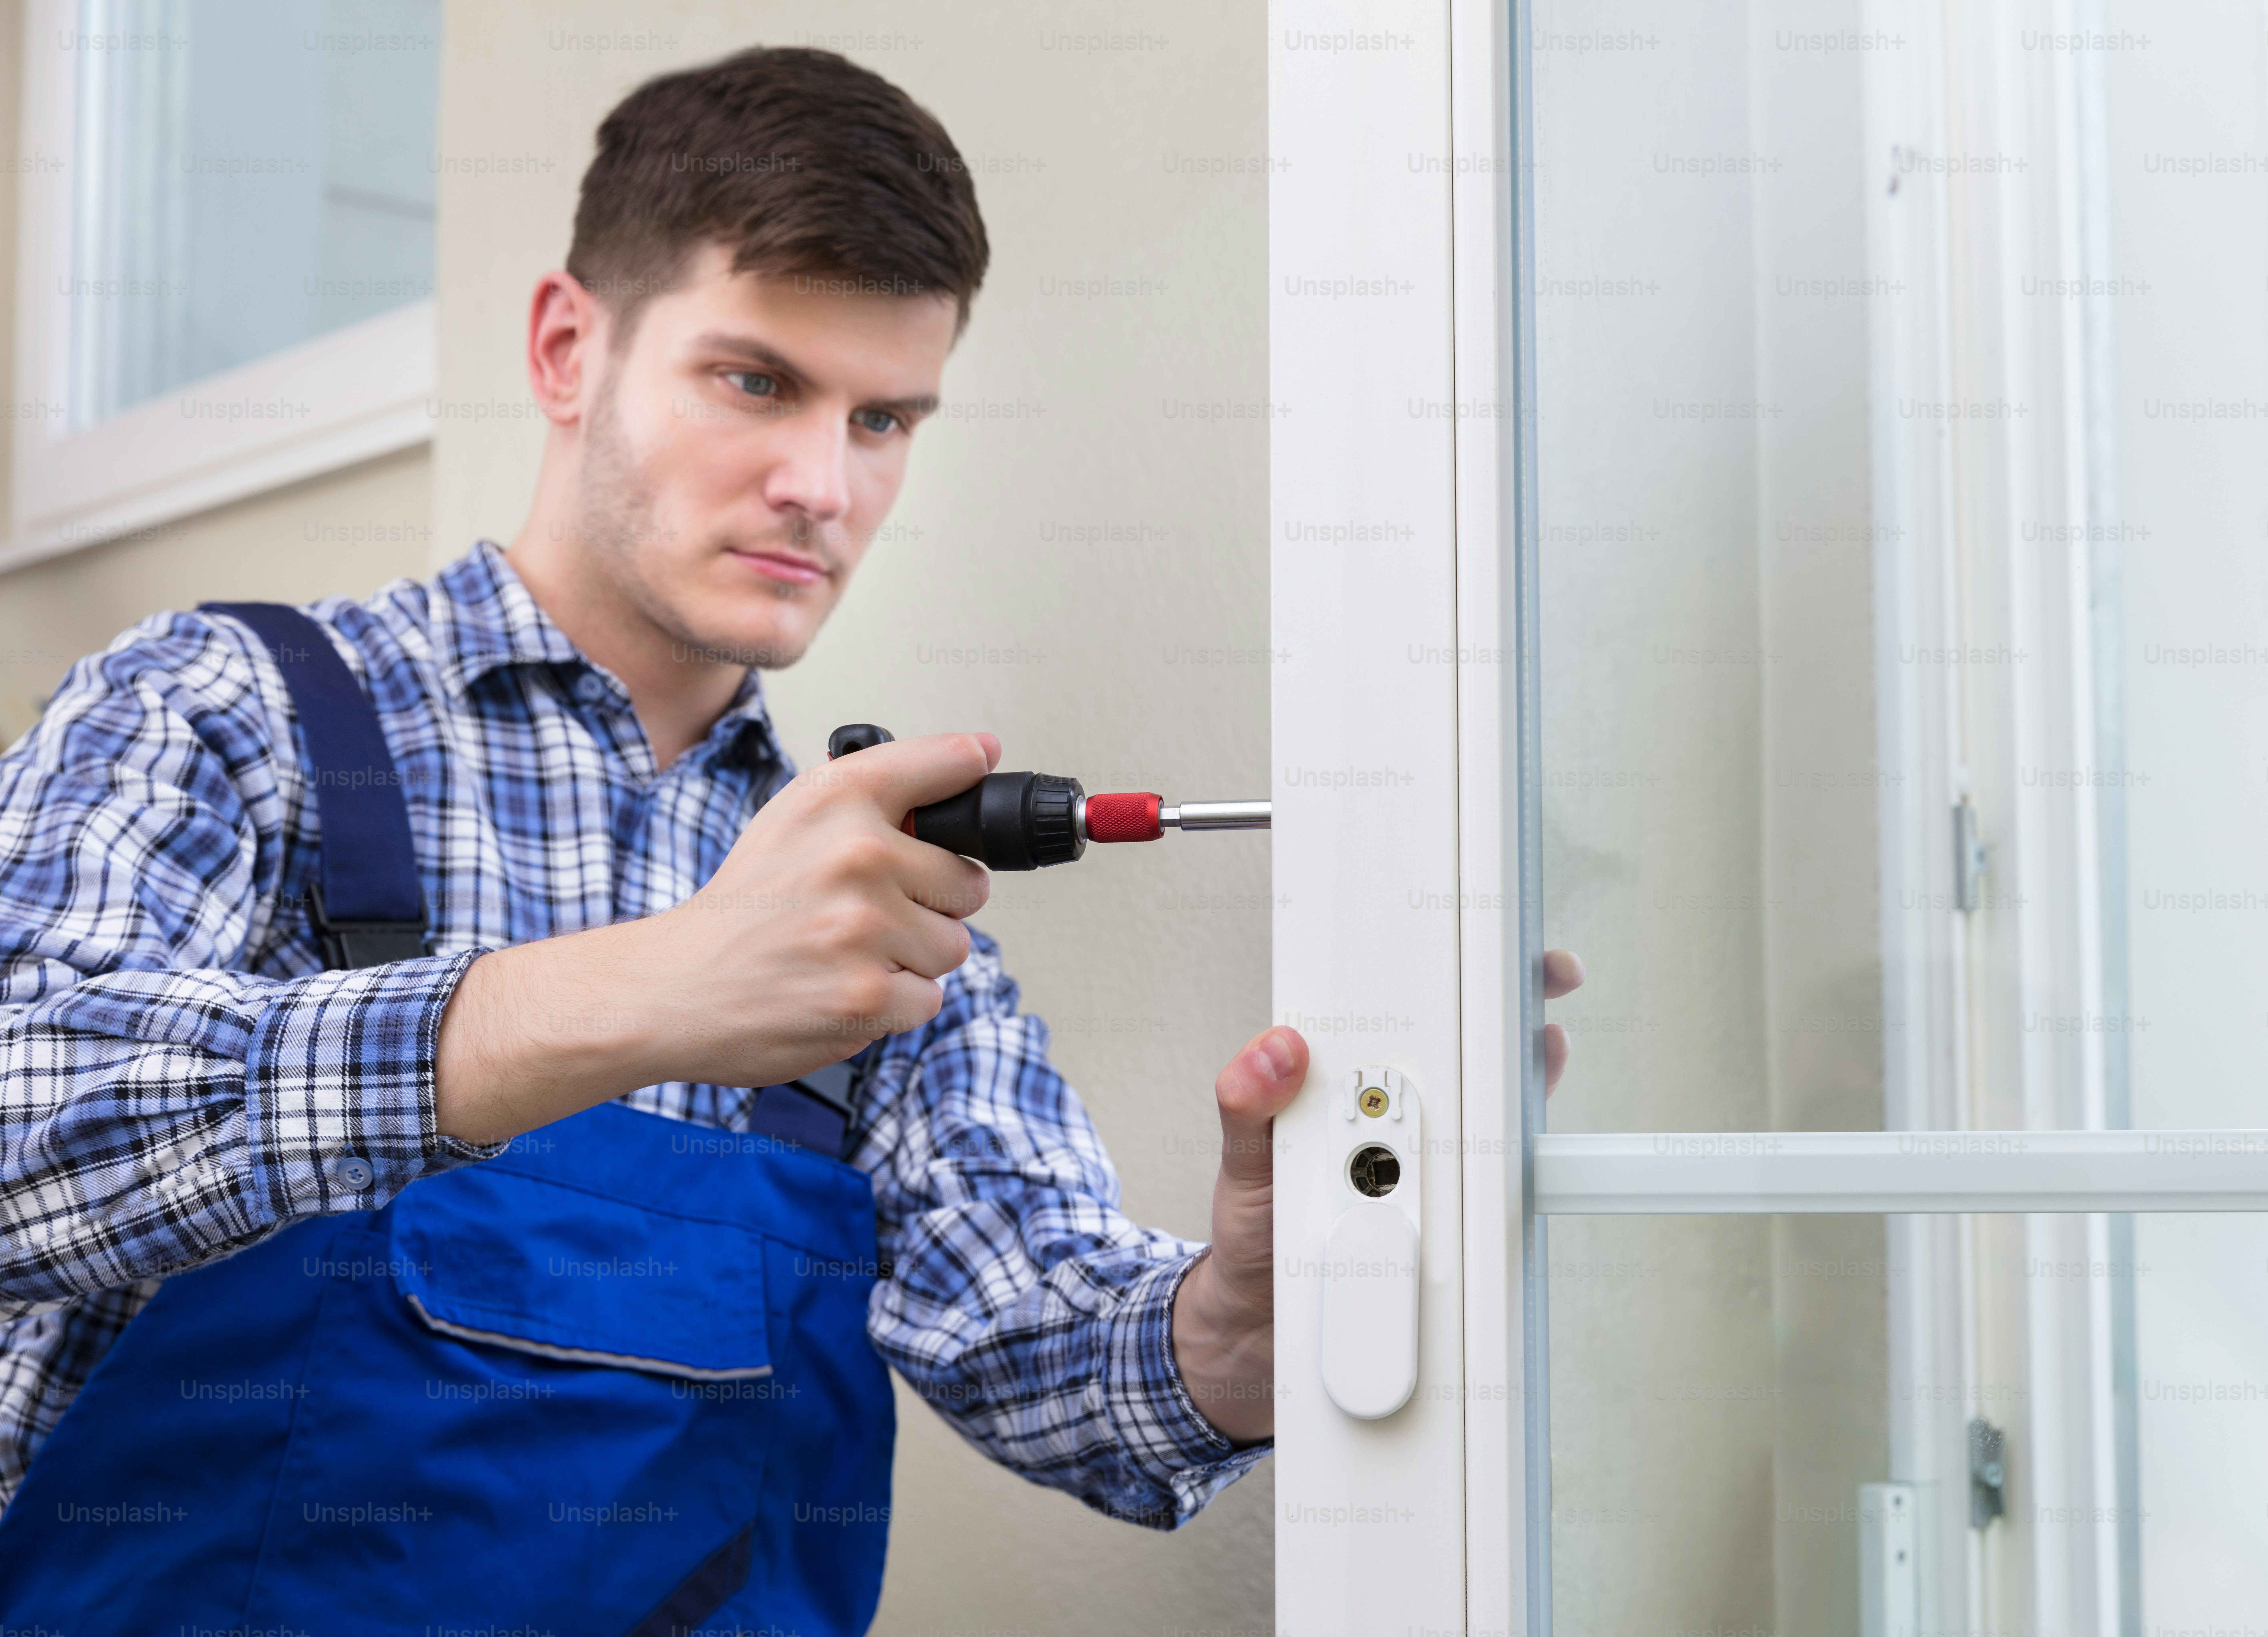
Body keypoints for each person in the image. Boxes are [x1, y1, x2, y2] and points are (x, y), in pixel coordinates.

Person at [0, 46, 1581, 1634]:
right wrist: (641, 991)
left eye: (884, 417)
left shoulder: (868, 892)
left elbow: (1052, 1341)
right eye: (757, 381)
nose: (823, 484)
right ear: (568, 348)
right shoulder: (226, 711)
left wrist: (1248, 1319)